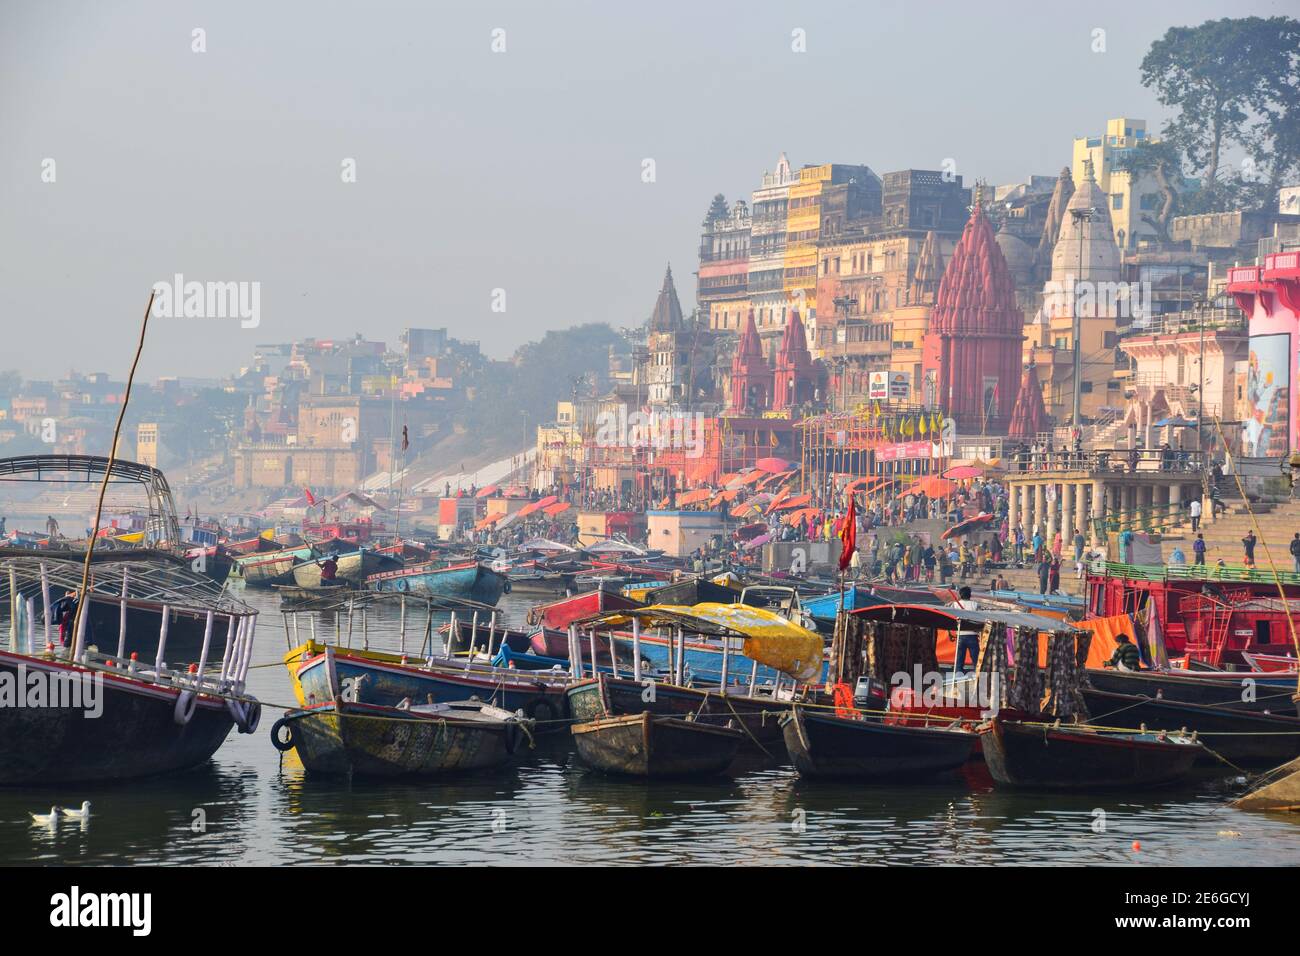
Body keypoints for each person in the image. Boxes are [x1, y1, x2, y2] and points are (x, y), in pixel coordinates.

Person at [950, 586, 980, 673]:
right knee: (976, 660)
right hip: (972, 635)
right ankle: (978, 675)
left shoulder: (955, 604)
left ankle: (958, 675)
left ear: (960, 595)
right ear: (970, 595)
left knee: (959, 660)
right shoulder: (975, 604)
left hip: (961, 634)